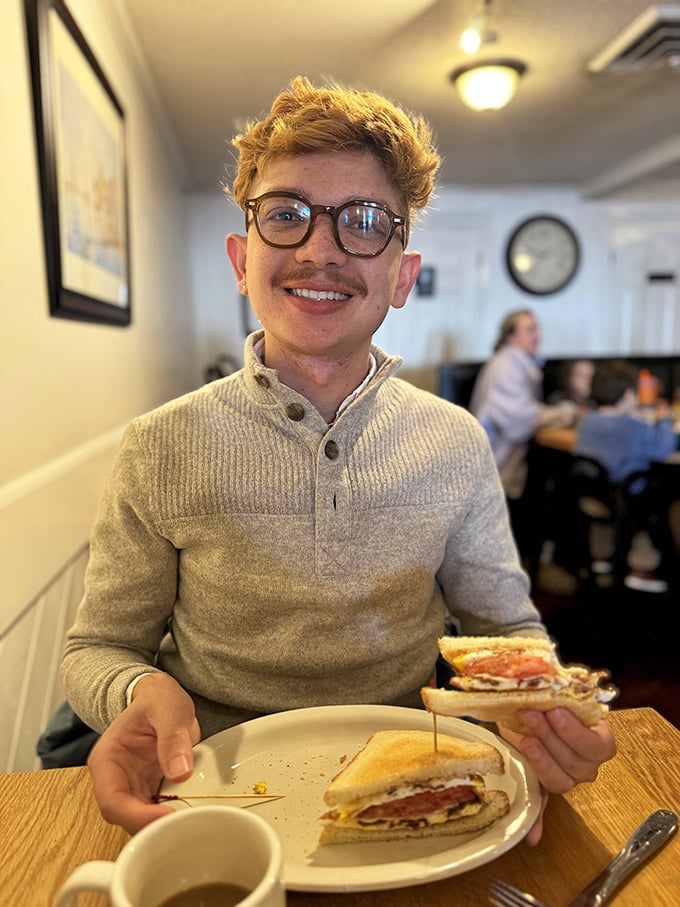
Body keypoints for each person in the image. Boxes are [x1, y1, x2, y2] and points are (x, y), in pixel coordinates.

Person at [60, 77, 615, 840]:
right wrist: (136, 688)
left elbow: (509, 630)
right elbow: (99, 649)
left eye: (362, 221)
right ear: (240, 258)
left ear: (402, 276)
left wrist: (547, 713)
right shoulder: (158, 446)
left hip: (418, 782)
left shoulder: (457, 443)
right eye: (285, 215)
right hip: (207, 796)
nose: (320, 250)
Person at [469, 310, 578, 561]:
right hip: (496, 464)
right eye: (529, 329)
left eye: (536, 329)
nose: (537, 336)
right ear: (510, 336)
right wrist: (566, 413)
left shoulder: (518, 363)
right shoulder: (506, 366)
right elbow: (520, 421)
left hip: (508, 461)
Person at [572, 359, 678, 593]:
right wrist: (664, 419)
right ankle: (654, 565)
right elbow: (664, 445)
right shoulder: (631, 426)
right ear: (630, 395)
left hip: (595, 494)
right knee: (666, 490)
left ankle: (604, 556)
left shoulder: (586, 422)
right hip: (628, 498)